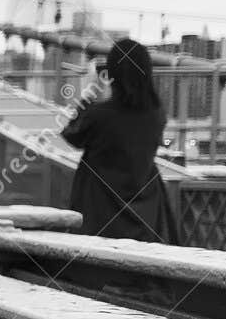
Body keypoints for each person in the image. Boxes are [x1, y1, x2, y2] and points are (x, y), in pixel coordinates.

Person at [60, 38, 168, 241]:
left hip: (99, 215)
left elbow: (71, 133)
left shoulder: (100, 116)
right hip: (147, 215)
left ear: (112, 73)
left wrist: (91, 92)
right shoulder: (157, 115)